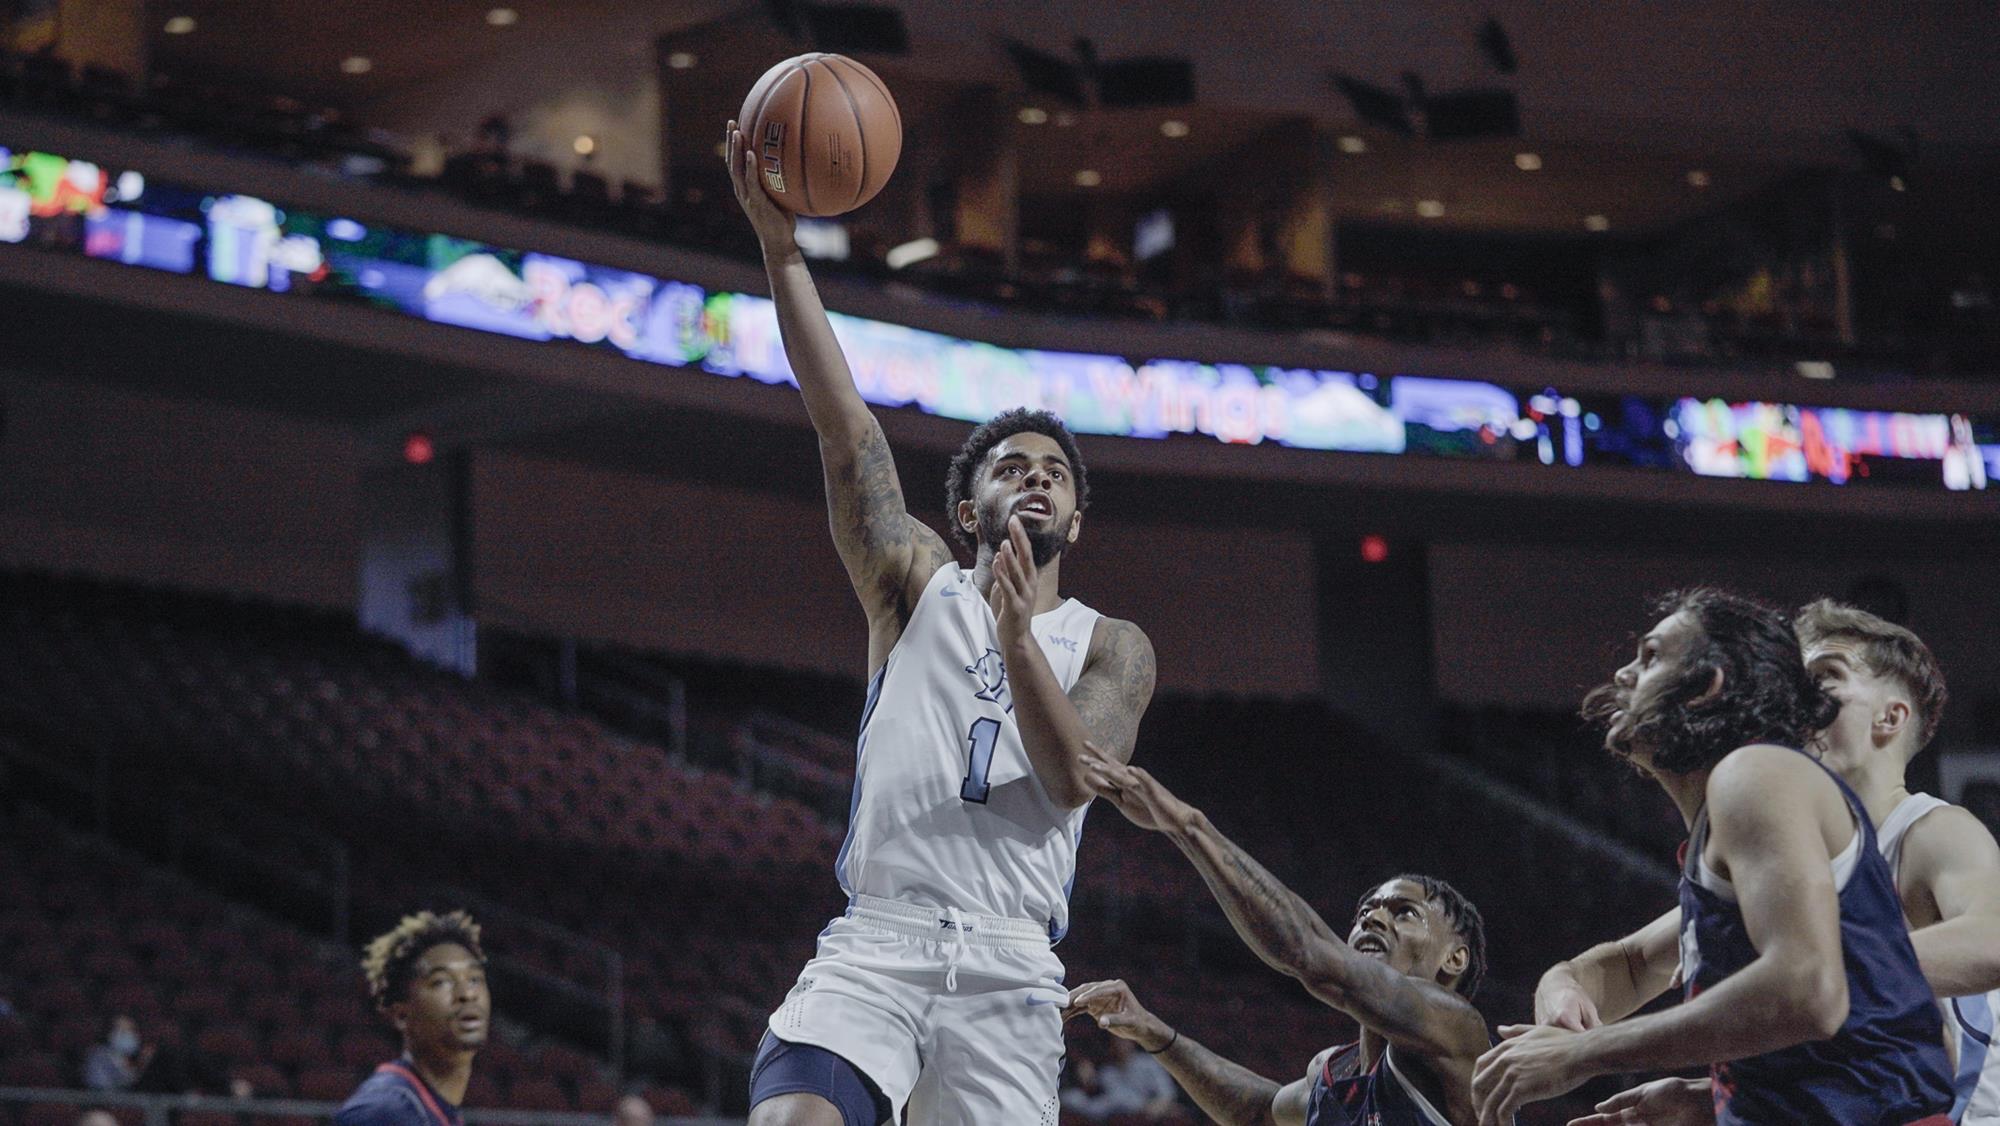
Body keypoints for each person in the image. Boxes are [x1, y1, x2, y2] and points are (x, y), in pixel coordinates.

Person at [726, 120, 1158, 1126]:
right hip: (880, 938)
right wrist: (782, 251)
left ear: (1077, 518)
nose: (1034, 477)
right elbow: (846, 428)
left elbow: (1067, 778)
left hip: (1009, 965)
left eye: (1052, 470)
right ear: (966, 512)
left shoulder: (1110, 643)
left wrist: (1015, 640)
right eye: (1010, 466)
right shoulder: (915, 581)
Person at [1472, 589, 1954, 1125]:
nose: (1625, 674)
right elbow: (1634, 964)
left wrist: (1583, 1052)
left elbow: (1807, 990)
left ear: (1706, 687)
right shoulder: (1735, 815)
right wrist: (1563, 984)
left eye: (1651, 657)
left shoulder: (1756, 773)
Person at [1072, 749, 1492, 1125]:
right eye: (1364, 912)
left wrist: (1188, 826)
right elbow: (1255, 1111)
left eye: (1404, 913)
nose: (1374, 919)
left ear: (1455, 958)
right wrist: (1153, 1032)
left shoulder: (1458, 1031)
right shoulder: (1335, 1072)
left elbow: (1310, 954)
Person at [335, 911, 490, 1126]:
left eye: (474, 979)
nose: (467, 994)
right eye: (442, 982)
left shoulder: (434, 1109)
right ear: (402, 1015)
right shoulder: (383, 1111)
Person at [1059, 1036, 1182, 1121]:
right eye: (1115, 1041)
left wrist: (1154, 1109)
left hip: (1144, 1115)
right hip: (1110, 1116)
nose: (1118, 1045)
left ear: (1132, 1041)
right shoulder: (1107, 1071)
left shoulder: (1148, 1063)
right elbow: (1092, 1093)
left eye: (1122, 1040)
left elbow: (1167, 1094)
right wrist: (1087, 1075)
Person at [82, 1014, 146, 1091]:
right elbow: (127, 1079)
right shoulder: (99, 1054)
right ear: (110, 1033)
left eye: (131, 1030)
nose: (128, 1035)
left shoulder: (124, 1056)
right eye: (123, 1031)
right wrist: (144, 1063)